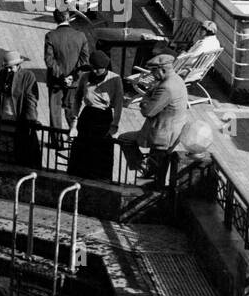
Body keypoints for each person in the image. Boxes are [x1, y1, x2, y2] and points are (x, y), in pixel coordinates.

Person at [120, 53, 188, 186]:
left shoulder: (166, 87)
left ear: (162, 70)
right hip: (172, 132)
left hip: (161, 136)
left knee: (124, 139)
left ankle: (142, 167)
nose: (152, 74)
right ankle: (147, 172)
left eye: (153, 71)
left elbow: (148, 112)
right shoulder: (177, 79)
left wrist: (145, 99)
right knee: (157, 172)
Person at [67, 52, 123, 180]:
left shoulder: (115, 79)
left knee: (100, 153)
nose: (96, 71)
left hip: (104, 118)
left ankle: (100, 181)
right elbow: (77, 98)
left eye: (99, 68)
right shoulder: (85, 77)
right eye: (93, 68)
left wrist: (114, 124)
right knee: (81, 153)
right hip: (87, 117)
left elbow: (119, 104)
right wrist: (74, 123)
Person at [43, 9, 91, 144]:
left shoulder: (50, 36)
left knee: (55, 113)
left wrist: (62, 76)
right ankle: (75, 138)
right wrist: (72, 76)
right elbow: (84, 60)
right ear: (69, 18)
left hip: (55, 82)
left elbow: (49, 60)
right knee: (72, 111)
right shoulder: (80, 36)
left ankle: (57, 142)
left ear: (55, 19)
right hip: (74, 82)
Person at [0, 51, 41, 168]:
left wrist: (30, 119)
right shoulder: (2, 74)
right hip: (3, 119)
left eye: (11, 68)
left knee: (19, 154)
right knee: (1, 153)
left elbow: (31, 100)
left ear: (18, 65)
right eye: (7, 68)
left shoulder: (27, 76)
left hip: (18, 121)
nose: (9, 70)